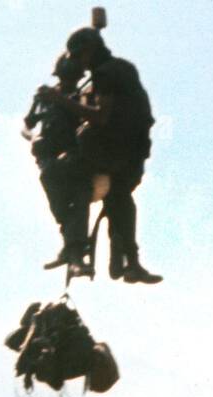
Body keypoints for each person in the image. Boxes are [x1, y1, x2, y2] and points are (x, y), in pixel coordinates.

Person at [37, 26, 162, 283]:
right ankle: (129, 260)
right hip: (132, 159)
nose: (80, 65)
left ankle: (73, 247)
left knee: (54, 176)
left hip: (107, 153)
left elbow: (101, 117)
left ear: (88, 52)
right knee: (119, 199)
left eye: (79, 57)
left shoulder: (104, 75)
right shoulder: (125, 68)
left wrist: (60, 101)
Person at [23, 51, 86, 268]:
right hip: (47, 156)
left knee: (79, 193)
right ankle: (71, 247)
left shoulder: (82, 97)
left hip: (72, 154)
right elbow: (28, 125)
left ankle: (74, 249)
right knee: (58, 198)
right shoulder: (45, 97)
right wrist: (33, 135)